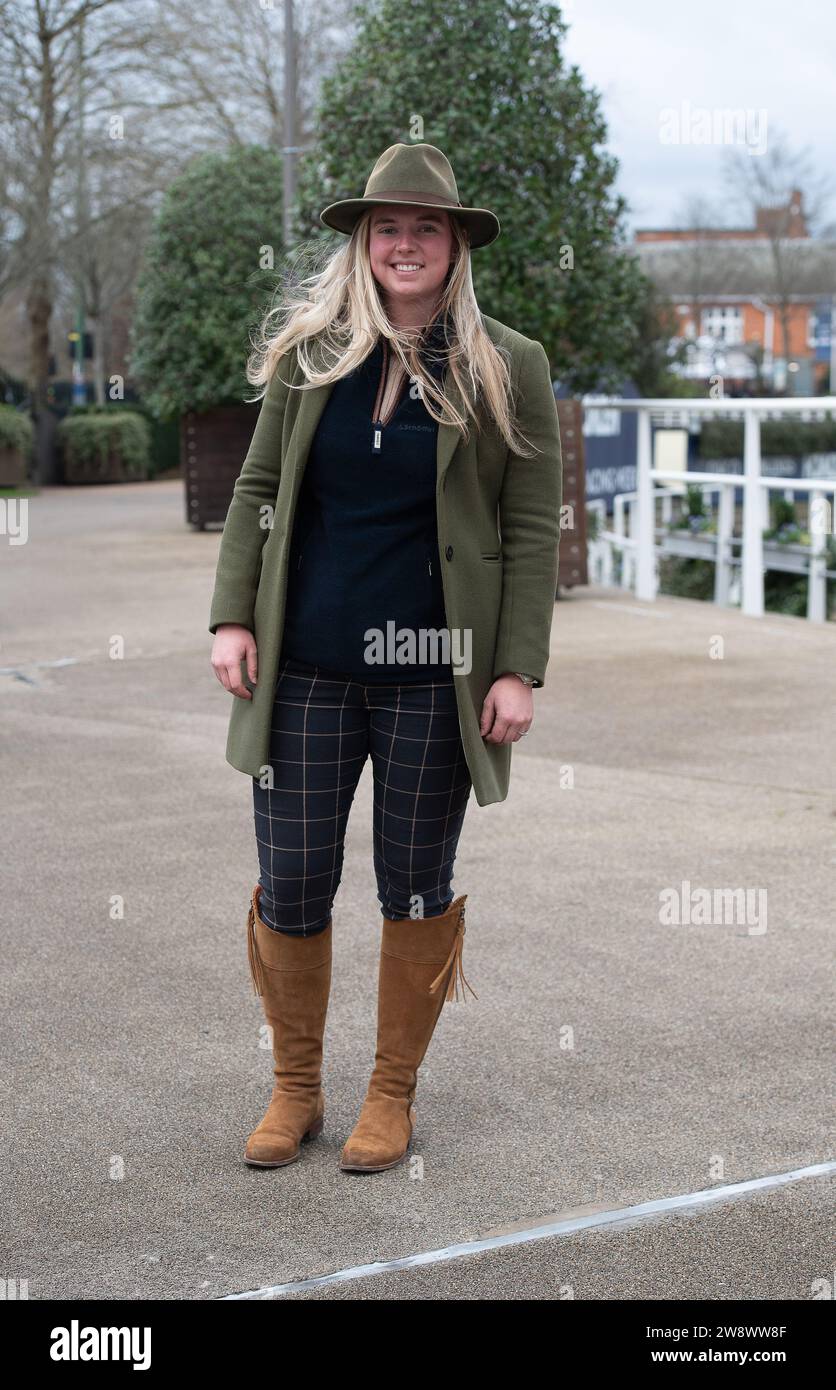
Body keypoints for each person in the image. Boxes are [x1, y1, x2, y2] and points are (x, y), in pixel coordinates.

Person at [209, 142, 562, 1174]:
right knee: (293, 879)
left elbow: (530, 524)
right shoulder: (310, 352)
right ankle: (295, 1088)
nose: (404, 244)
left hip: (433, 672)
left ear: (454, 246)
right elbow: (255, 489)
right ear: (363, 245)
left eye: (426, 227)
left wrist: (514, 667)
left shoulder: (508, 364)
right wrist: (233, 615)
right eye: (386, 228)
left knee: (414, 885)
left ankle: (390, 1093)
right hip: (307, 665)